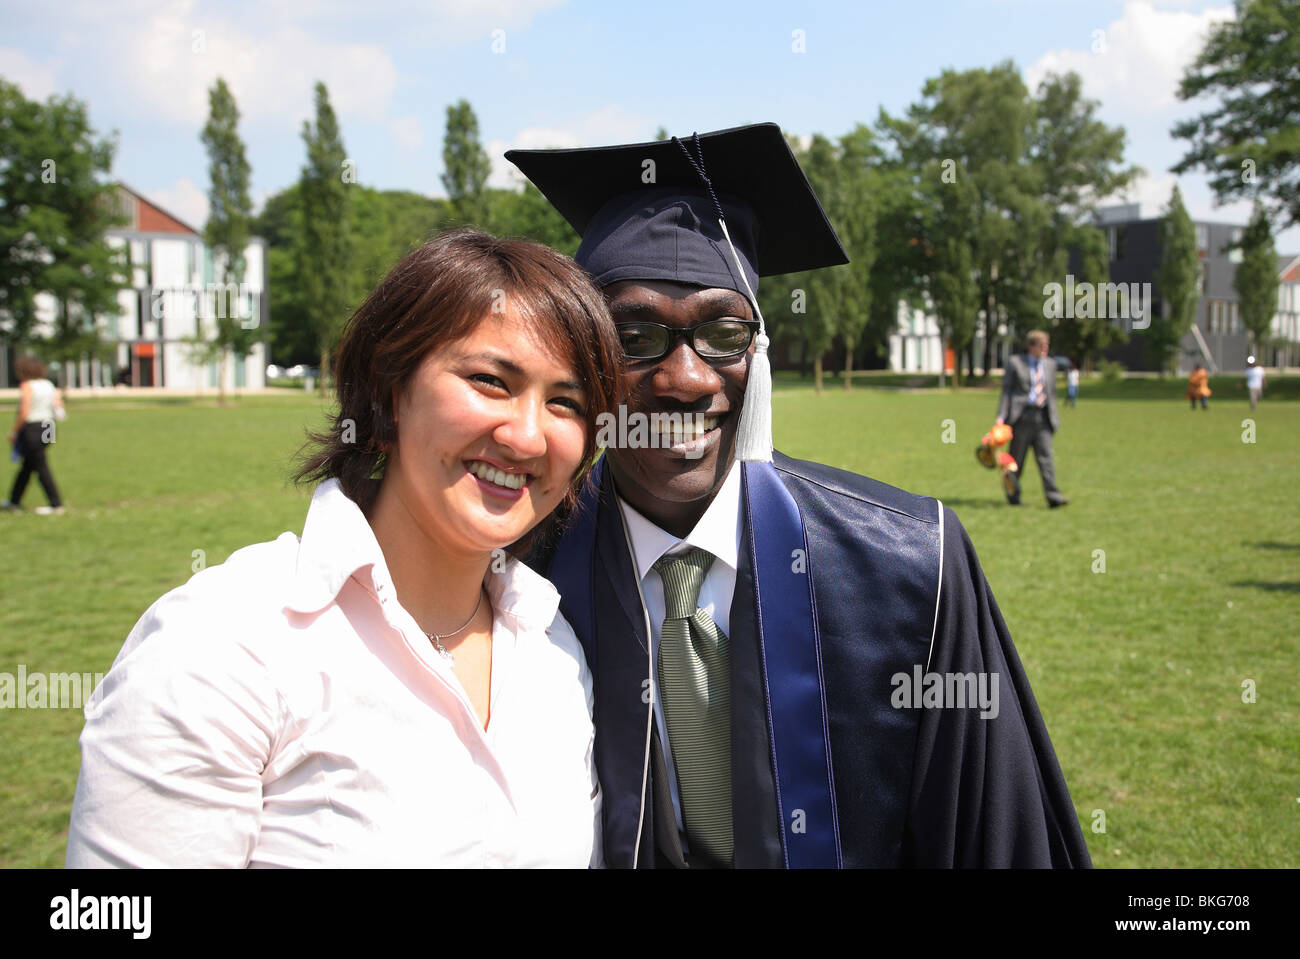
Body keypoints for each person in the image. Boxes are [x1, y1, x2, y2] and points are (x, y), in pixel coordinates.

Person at [508, 124, 1090, 867]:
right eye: (633, 332)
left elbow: (995, 842)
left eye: (722, 330)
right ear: (583, 359)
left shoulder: (914, 570)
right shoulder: (519, 579)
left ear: (757, 356)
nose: (686, 378)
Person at [65, 230, 623, 867]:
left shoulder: (553, 648)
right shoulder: (224, 645)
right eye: (490, 381)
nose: (527, 437)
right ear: (390, 390)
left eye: (565, 402)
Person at [996, 330, 1069, 508]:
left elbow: (1051, 393)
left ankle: (1053, 497)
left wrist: (1054, 417)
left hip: (1043, 418)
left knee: (1047, 458)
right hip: (1021, 417)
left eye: (1047, 345)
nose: (1045, 348)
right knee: (1016, 461)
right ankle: (1013, 495)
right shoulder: (1015, 363)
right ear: (1031, 345)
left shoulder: (1050, 365)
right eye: (1041, 345)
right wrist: (1001, 417)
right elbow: (1006, 391)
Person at [4, 356, 66, 515]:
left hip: (34, 427)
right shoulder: (48, 384)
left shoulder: (27, 386)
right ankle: (14, 500)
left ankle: (56, 504)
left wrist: (14, 432)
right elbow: (58, 406)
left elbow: (24, 412)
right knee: (28, 465)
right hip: (49, 426)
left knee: (39, 465)